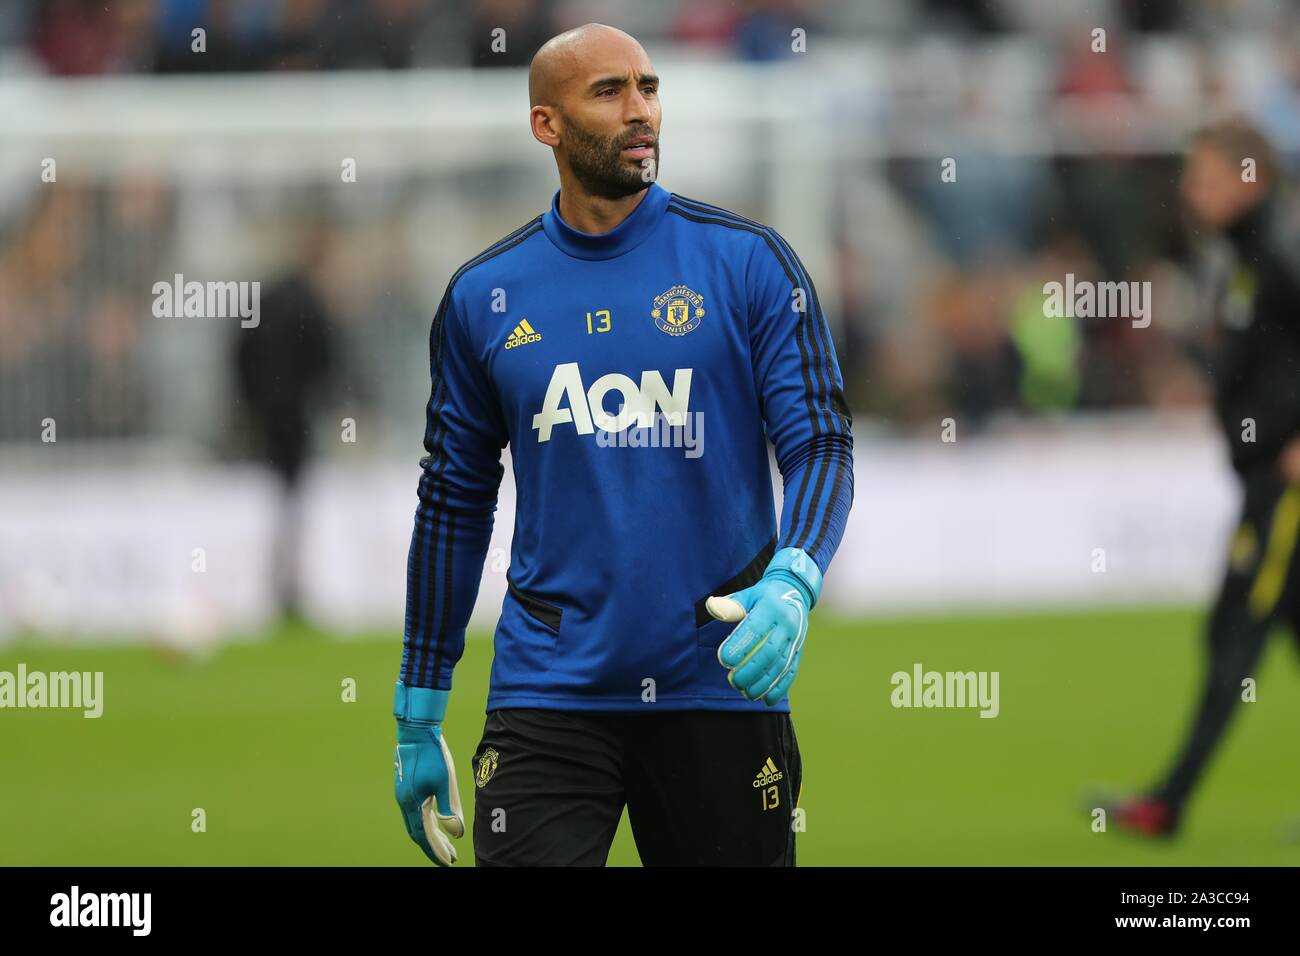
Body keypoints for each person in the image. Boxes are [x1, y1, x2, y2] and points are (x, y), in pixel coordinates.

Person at [391, 23, 853, 866]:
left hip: (717, 684)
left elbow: (821, 443)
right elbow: (454, 502)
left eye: (649, 86)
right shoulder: (485, 297)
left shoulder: (748, 265)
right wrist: (419, 705)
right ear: (547, 125)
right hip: (548, 696)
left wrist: (793, 580)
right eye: (609, 92)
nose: (640, 110)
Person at [1104, 119, 1300, 837]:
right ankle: (1168, 802)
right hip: (1264, 482)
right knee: (1249, 629)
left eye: (1206, 174)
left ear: (1249, 176)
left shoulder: (1279, 250)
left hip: (1286, 492)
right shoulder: (1246, 255)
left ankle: (1167, 803)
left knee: (1236, 635)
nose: (1191, 188)